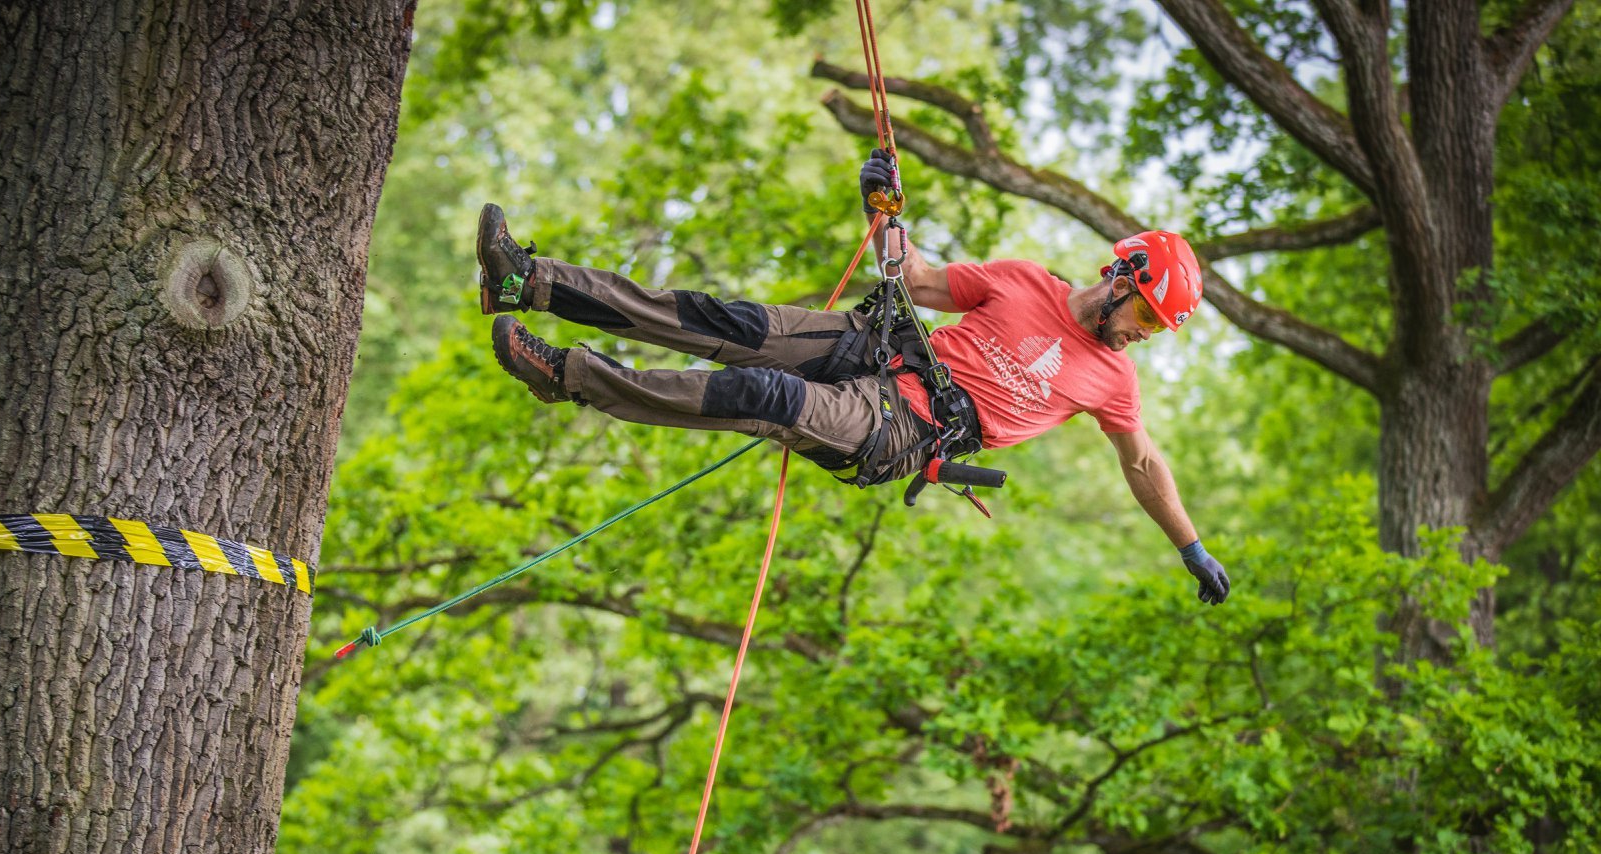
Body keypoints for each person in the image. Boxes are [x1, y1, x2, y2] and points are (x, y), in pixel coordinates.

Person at [476, 152, 1230, 604]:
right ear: (1123, 277)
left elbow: (1144, 462)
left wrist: (1190, 547)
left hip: (906, 427)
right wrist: (884, 208)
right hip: (881, 343)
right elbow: (917, 278)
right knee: (724, 323)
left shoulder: (1112, 379)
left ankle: (568, 376)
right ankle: (525, 280)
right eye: (1150, 318)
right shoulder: (1025, 279)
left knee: (766, 399)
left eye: (1157, 331)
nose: (1144, 336)